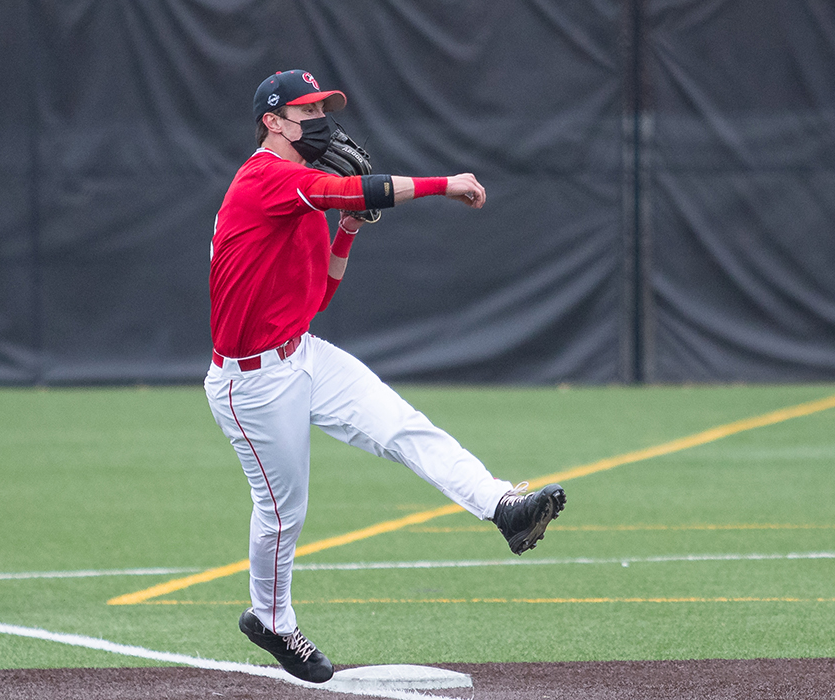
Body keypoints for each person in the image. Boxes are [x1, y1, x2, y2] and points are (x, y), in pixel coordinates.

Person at [206, 70, 567, 683]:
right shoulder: (265, 179)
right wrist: (442, 184)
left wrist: (347, 231)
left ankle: (502, 504)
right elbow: (355, 190)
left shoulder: (302, 198)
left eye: (325, 108)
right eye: (306, 111)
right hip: (252, 384)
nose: (320, 121)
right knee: (282, 511)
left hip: (303, 353)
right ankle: (272, 618)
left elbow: (319, 295)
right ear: (272, 122)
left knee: (402, 425)